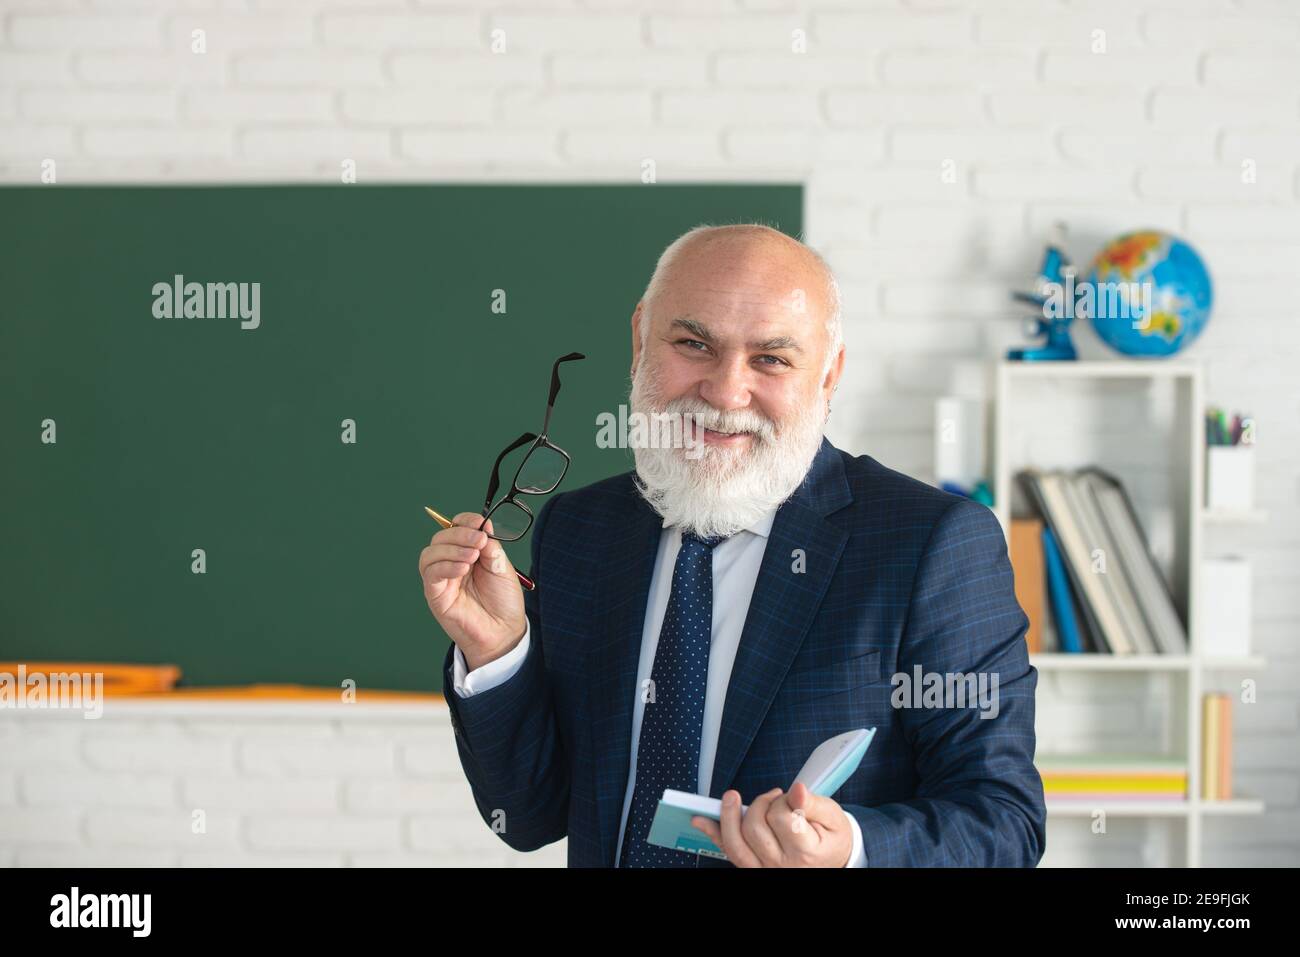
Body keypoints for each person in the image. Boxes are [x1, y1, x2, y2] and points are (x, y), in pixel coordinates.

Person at [419, 224, 1046, 867]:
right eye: (694, 344)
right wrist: (495, 651)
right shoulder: (579, 530)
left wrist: (850, 851)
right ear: (640, 340)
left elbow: (1003, 821)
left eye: (771, 358)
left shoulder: (933, 544)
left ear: (828, 374)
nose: (724, 392)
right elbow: (527, 815)